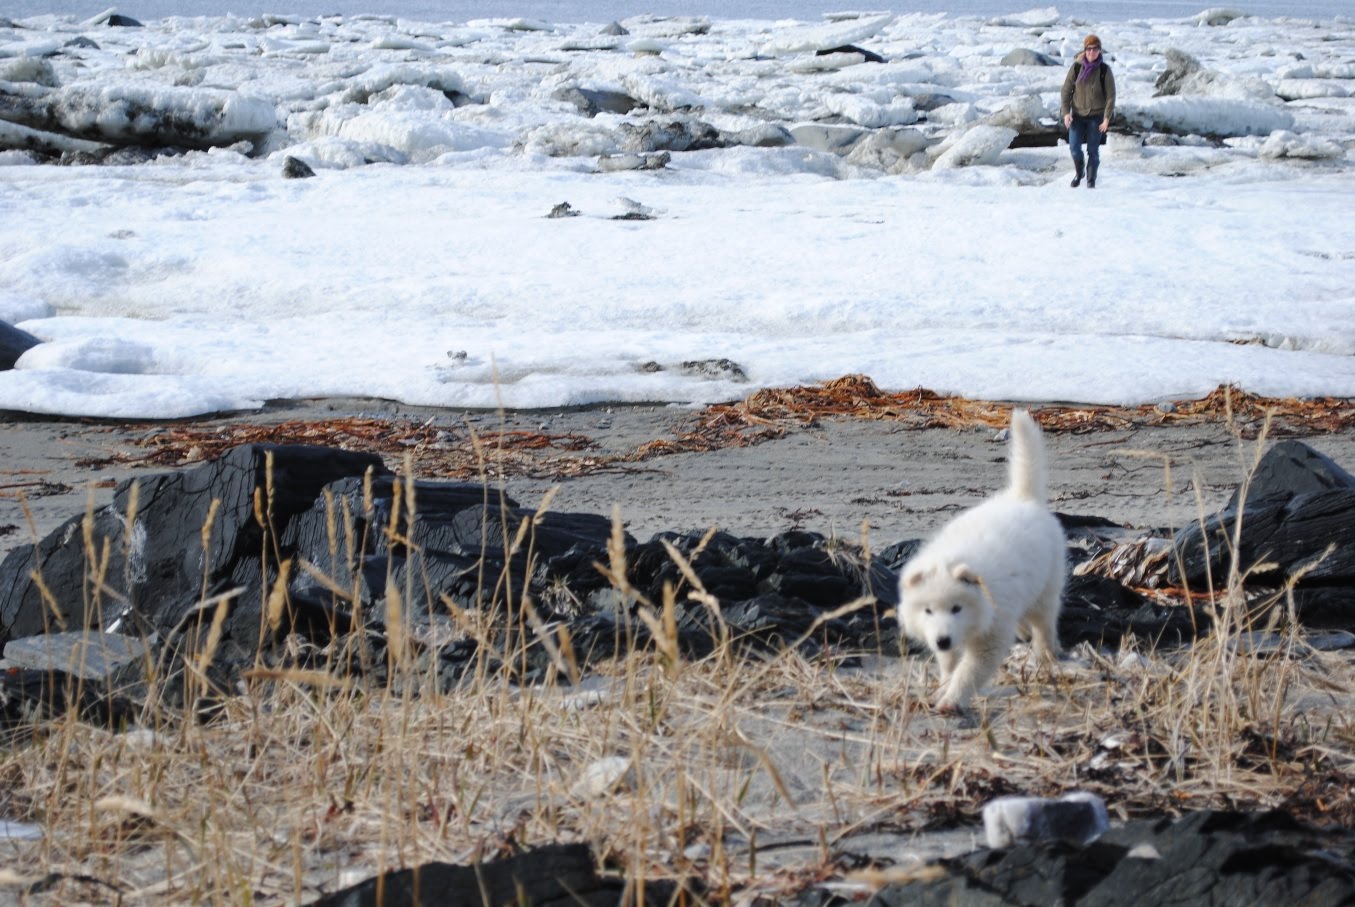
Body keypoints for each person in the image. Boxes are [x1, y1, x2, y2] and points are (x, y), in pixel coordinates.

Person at [1060, 34, 1116, 188]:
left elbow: (1111, 96)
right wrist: (1066, 113)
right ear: (1084, 50)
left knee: (1093, 150)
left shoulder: (1104, 70)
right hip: (1077, 115)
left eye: (1095, 49)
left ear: (1100, 51)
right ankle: (1080, 173)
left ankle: (1091, 181)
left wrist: (1106, 119)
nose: (1092, 52)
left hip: (1096, 117)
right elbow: (1066, 91)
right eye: (1089, 49)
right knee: (1074, 148)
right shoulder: (1077, 68)